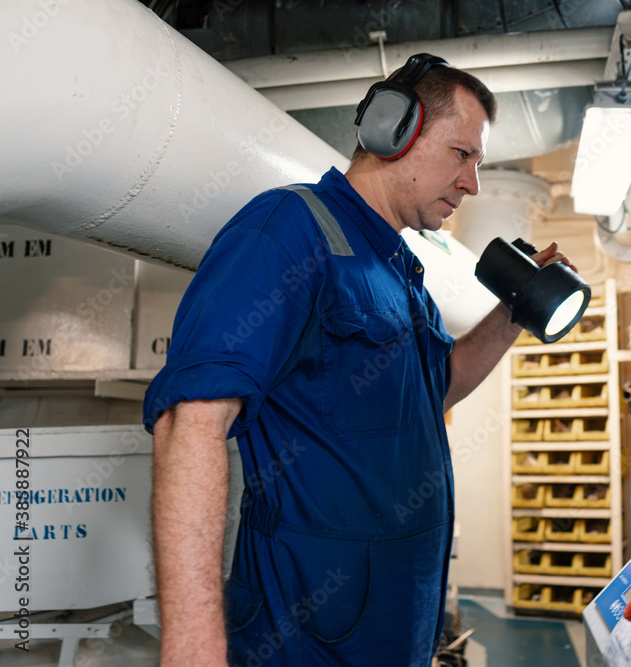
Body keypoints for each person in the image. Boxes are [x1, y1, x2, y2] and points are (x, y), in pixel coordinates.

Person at [143, 55, 574, 666]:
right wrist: (192, 648)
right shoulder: (287, 231)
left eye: (477, 164)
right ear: (392, 130)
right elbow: (189, 422)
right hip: (305, 635)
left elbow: (435, 389)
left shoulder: (401, 271)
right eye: (461, 155)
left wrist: (516, 312)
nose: (472, 183)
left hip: (396, 626)